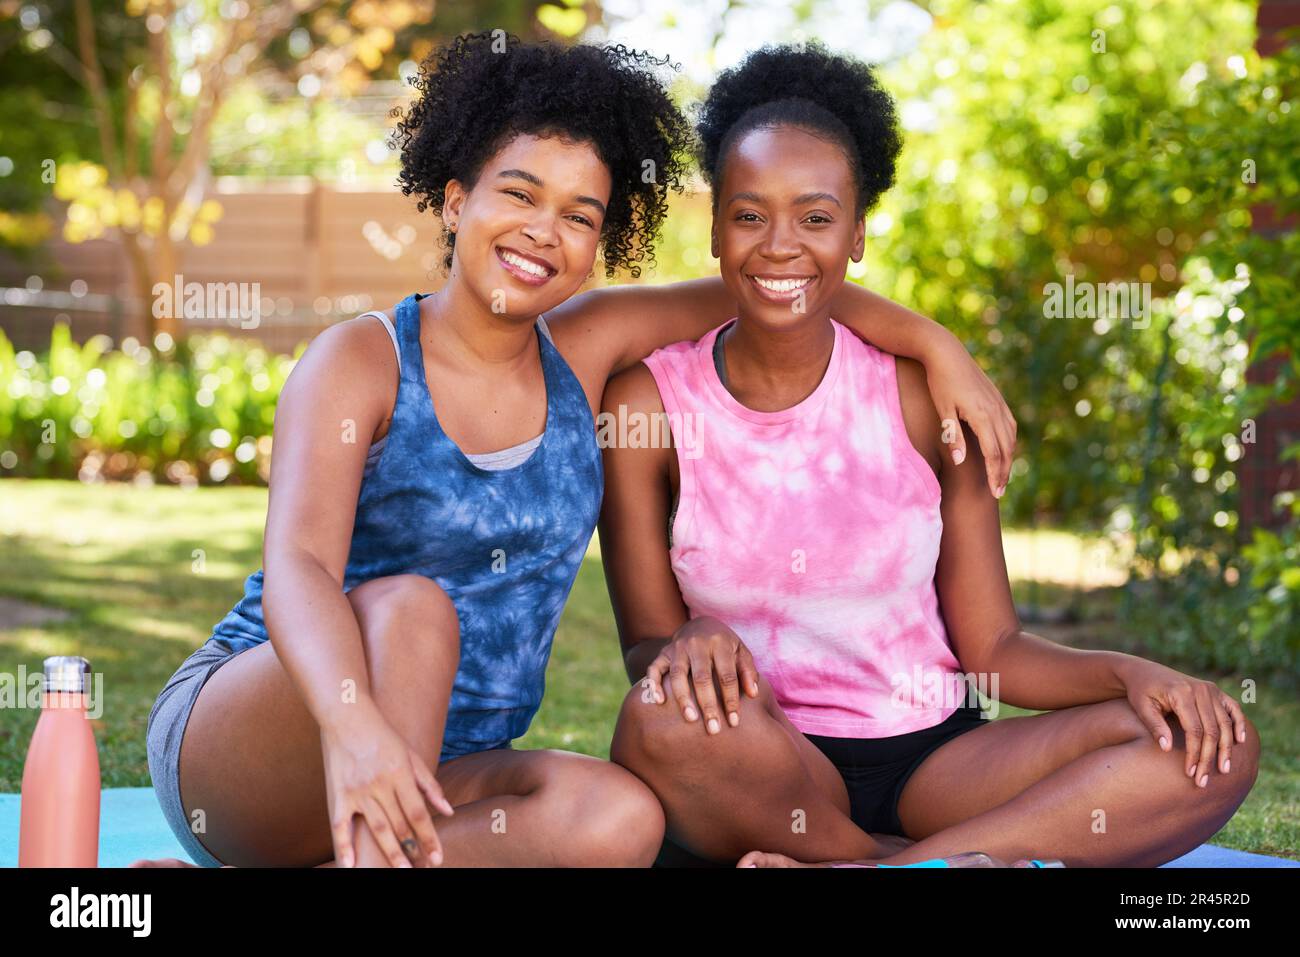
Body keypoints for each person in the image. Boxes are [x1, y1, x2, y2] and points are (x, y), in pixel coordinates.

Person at [137, 33, 1016, 869]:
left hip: (444, 767)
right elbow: (295, 565)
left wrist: (939, 345)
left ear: (602, 243)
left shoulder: (585, 351)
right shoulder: (363, 358)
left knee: (618, 820)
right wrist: (356, 728)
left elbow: (780, 281)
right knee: (411, 610)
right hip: (267, 741)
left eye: (578, 213)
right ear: (455, 200)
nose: (541, 231)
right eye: (518, 194)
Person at [599, 42, 1261, 868]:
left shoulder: (923, 396)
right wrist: (683, 642)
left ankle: (879, 865)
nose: (780, 246)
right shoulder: (648, 405)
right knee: (657, 724)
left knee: (1213, 740)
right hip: (759, 757)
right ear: (716, 229)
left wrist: (1133, 674)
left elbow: (995, 651)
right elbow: (644, 645)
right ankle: (918, 860)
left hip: (937, 763)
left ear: (858, 234)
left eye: (815, 216)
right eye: (749, 214)